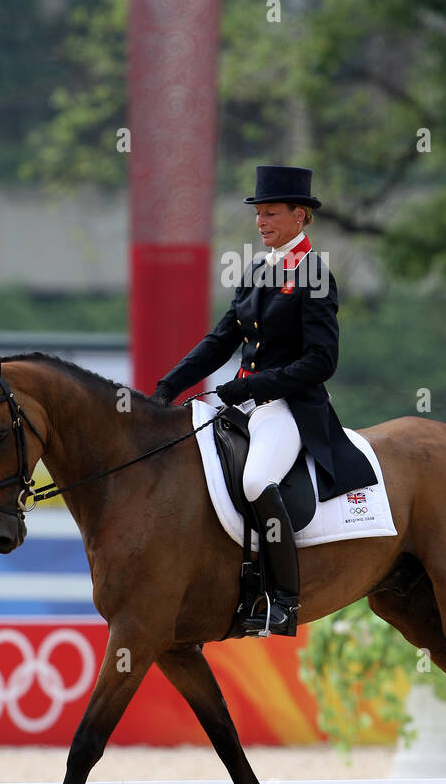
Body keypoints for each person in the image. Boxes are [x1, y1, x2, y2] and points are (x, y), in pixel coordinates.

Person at [152, 165, 377, 636]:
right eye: (258, 213)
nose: (261, 221)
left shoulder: (315, 275)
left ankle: (282, 601)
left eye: (271, 212)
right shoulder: (257, 270)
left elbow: (321, 360)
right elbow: (220, 341)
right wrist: (167, 387)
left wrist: (254, 387)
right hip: (242, 404)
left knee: (255, 480)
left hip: (288, 406)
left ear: (301, 216)